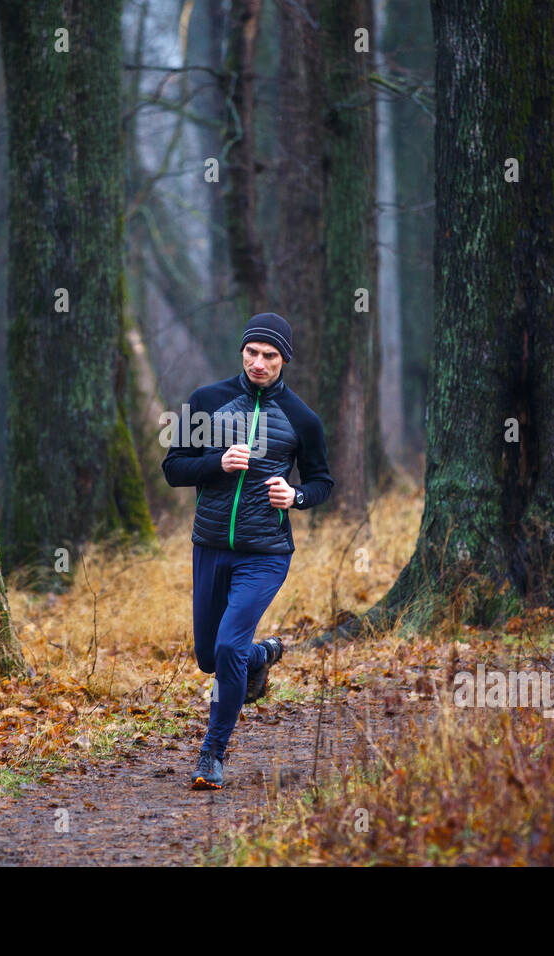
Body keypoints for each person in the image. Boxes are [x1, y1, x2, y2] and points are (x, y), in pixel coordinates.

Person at [161, 312, 334, 789]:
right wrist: (216, 463)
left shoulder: (303, 418)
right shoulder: (206, 401)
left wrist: (295, 496)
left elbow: (322, 483)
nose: (259, 363)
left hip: (266, 552)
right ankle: (259, 657)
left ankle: (211, 755)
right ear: (242, 352)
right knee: (210, 657)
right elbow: (173, 468)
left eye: (270, 356)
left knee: (228, 645)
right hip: (211, 547)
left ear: (284, 360)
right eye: (252, 353)